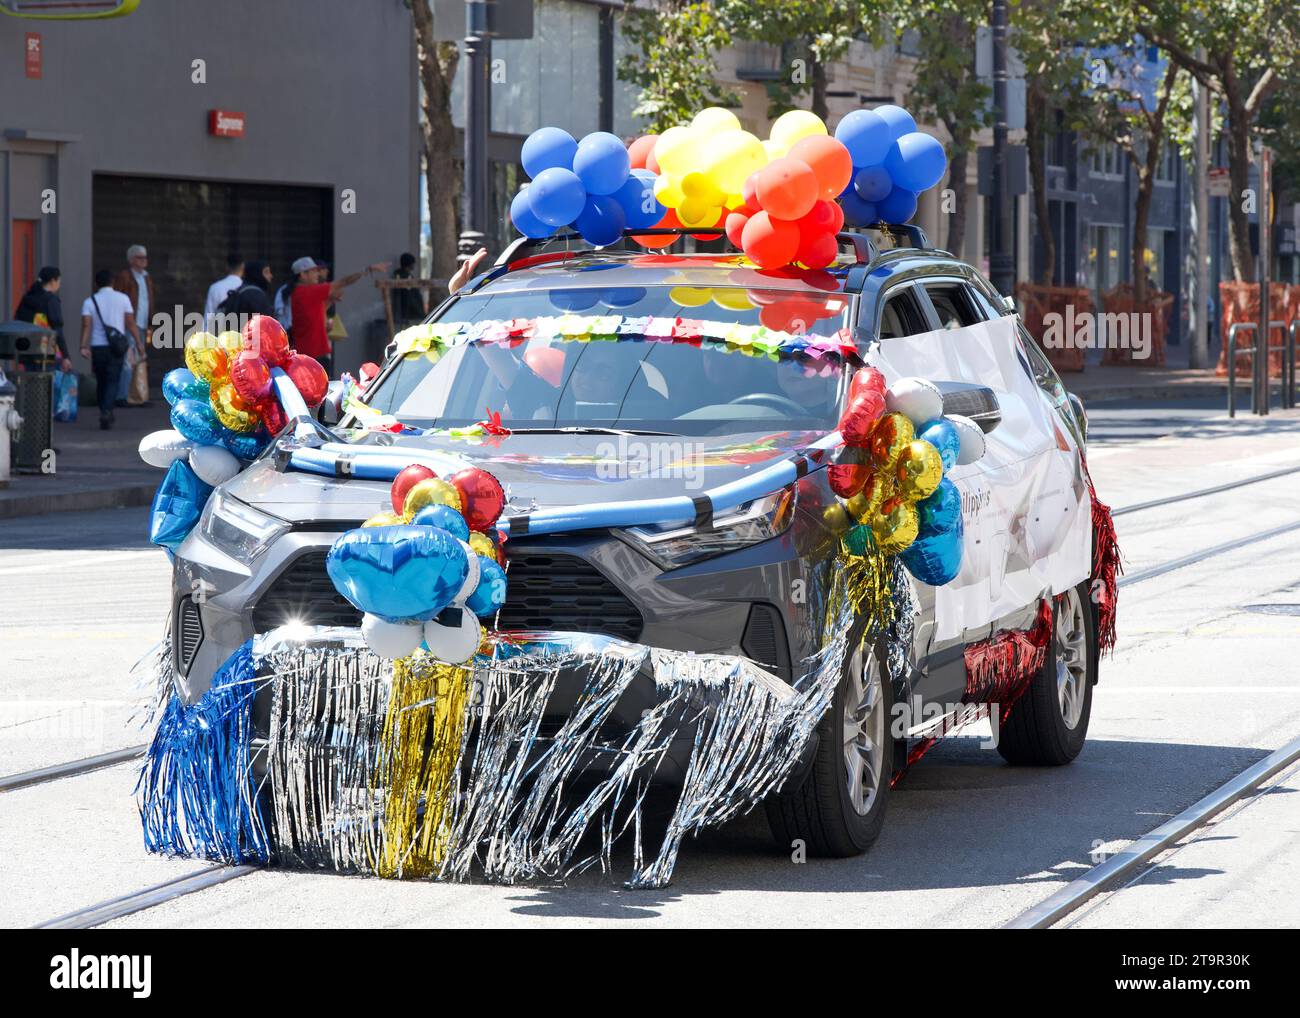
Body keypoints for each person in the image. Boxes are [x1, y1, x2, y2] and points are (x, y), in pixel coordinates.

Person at [289, 256, 388, 377]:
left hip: (311, 353)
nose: (317, 274)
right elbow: (343, 282)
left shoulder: (301, 293)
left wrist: (330, 301)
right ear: (303, 275)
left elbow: (315, 314)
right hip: (314, 355)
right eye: (313, 271)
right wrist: (367, 270)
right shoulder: (307, 292)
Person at [80, 269, 142, 430]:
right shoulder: (123, 299)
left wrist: (83, 345)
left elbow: (87, 325)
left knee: (101, 379)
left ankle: (104, 409)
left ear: (96, 283)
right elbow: (130, 323)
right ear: (112, 283)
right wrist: (139, 343)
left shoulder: (90, 301)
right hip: (117, 346)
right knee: (113, 379)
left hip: (98, 346)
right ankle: (107, 410)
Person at [113, 243, 154, 407]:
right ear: (131, 260)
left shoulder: (146, 276)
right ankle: (122, 396)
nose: (144, 260)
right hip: (129, 323)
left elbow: (149, 300)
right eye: (139, 257)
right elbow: (120, 299)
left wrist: (151, 321)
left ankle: (139, 395)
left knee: (140, 359)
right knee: (128, 360)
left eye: (145, 257)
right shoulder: (125, 276)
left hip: (143, 323)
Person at [14, 266, 70, 369]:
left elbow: (17, 322)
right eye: (59, 281)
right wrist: (66, 356)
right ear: (53, 281)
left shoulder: (27, 298)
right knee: (49, 383)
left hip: (27, 353)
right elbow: (57, 329)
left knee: (31, 382)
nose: (59, 285)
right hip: (46, 353)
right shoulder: (51, 300)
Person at [205, 254, 244, 323]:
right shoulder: (247, 288)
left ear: (227, 267)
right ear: (242, 266)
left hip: (220, 331)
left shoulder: (215, 288)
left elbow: (208, 318)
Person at [392, 252, 426, 326]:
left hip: (413, 313)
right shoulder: (402, 276)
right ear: (409, 264)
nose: (414, 265)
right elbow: (409, 297)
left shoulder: (408, 276)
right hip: (410, 314)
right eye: (412, 263)